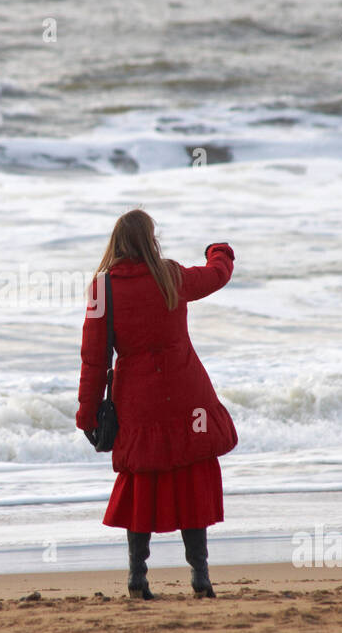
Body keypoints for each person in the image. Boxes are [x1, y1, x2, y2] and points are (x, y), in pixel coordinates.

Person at [76, 210, 236, 600]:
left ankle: (137, 576)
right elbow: (216, 275)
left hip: (138, 402)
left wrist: (87, 413)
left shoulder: (102, 289)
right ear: (150, 240)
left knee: (142, 483)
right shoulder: (171, 275)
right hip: (186, 396)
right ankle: (200, 576)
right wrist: (221, 251)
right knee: (192, 476)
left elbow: (93, 359)